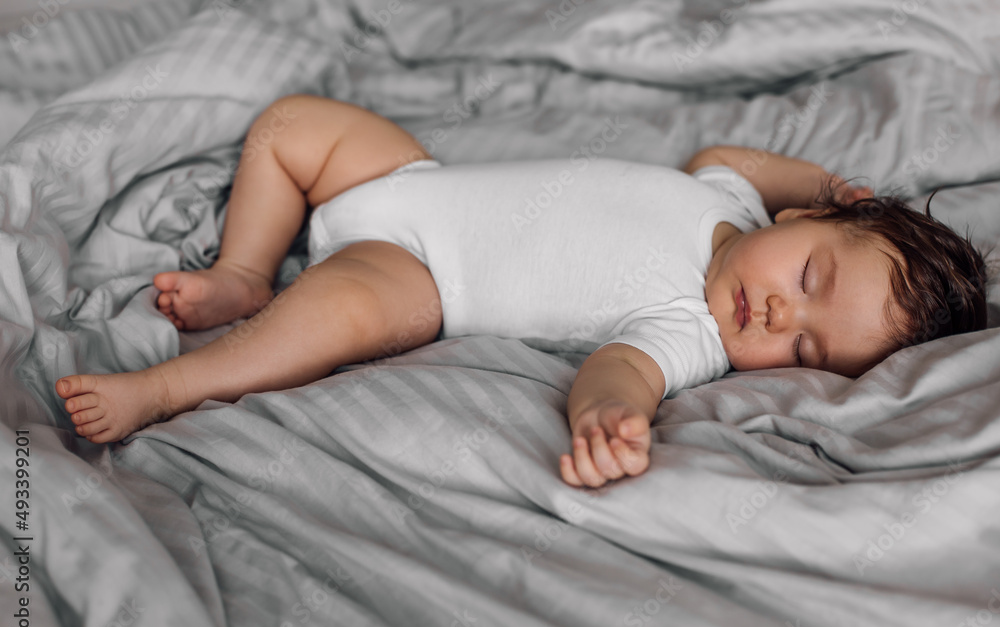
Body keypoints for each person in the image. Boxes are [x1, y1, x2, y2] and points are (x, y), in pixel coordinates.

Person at [55, 95, 989, 488]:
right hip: (406, 182)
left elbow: (620, 370)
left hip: (423, 276)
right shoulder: (734, 200)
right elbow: (727, 157)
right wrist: (817, 181)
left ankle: (169, 387)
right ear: (799, 225)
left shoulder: (692, 329)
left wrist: (608, 419)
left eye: (807, 351)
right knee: (294, 124)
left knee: (333, 315)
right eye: (811, 279)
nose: (783, 316)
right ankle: (242, 272)